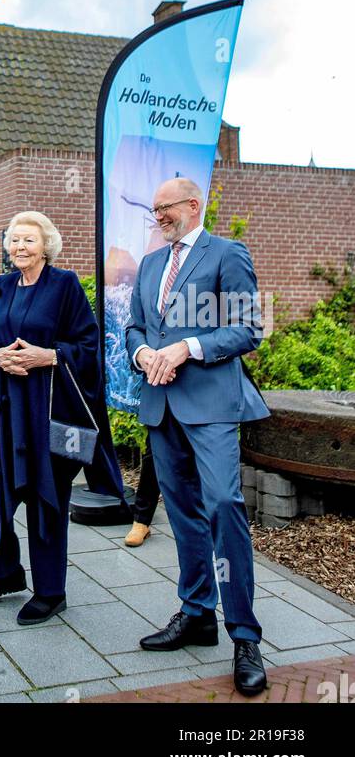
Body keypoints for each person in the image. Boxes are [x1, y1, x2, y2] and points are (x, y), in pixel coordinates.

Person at [126, 176, 269, 697]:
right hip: (160, 405)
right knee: (182, 513)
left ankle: (245, 637)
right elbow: (135, 328)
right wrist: (143, 354)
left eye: (166, 207)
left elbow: (247, 329)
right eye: (154, 209)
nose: (159, 215)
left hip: (210, 406)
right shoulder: (148, 266)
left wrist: (186, 347)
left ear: (193, 204)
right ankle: (196, 613)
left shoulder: (227, 253)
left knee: (224, 505)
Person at [0, 211, 101, 625]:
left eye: (28, 240)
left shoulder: (64, 286)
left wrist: (51, 356)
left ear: (46, 245)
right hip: (5, 406)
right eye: (13, 240)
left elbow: (89, 344)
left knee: (47, 492)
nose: (19, 247)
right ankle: (6, 571)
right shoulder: (3, 285)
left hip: (45, 408)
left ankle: (50, 590)